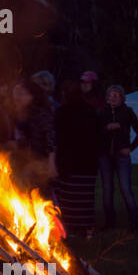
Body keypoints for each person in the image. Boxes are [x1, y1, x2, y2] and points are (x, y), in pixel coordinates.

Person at [53, 81, 103, 238]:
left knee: (70, 197)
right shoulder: (90, 111)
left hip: (69, 162)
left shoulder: (62, 112)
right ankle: (87, 228)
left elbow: (58, 136)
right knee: (85, 197)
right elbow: (97, 134)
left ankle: (72, 228)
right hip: (88, 162)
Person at [99, 85, 138, 231]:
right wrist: (106, 128)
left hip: (121, 156)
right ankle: (109, 223)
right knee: (107, 190)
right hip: (105, 155)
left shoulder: (127, 112)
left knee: (125, 188)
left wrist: (130, 148)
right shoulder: (102, 112)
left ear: (122, 98)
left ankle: (135, 222)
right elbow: (95, 131)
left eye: (116, 95)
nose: (112, 98)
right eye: (110, 95)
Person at [7, 78, 56, 193]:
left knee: (32, 191)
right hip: (21, 161)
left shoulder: (41, 114)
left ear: (32, 96)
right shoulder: (16, 113)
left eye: (22, 93)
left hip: (39, 161)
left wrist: (51, 163)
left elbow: (51, 139)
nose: (18, 96)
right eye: (16, 92)